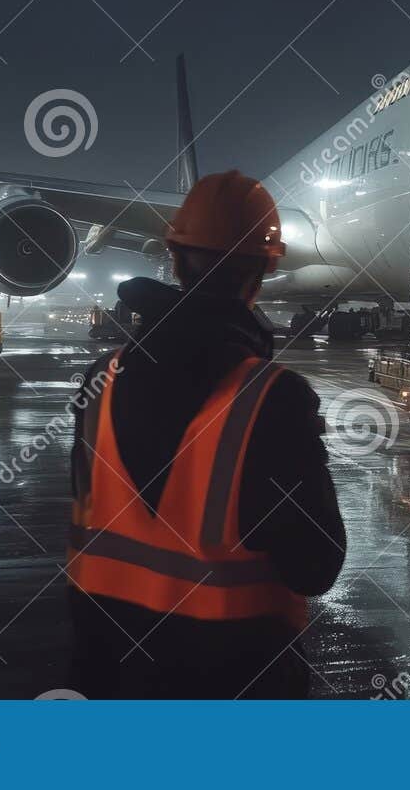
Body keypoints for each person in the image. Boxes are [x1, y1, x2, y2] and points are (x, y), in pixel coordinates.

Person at [66, 171, 345, 698]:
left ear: (174, 260)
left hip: (107, 679)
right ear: (261, 273)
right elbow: (315, 567)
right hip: (236, 685)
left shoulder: (99, 380)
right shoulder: (273, 397)